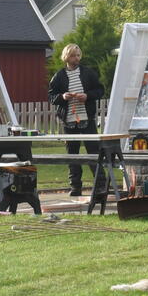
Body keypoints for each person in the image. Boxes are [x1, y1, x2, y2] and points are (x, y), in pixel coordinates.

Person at [48, 44, 105, 196]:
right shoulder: (59, 76)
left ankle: (101, 186)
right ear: (67, 57)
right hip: (69, 121)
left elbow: (100, 90)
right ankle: (75, 187)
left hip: (87, 119)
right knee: (72, 154)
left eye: (78, 55)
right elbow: (51, 96)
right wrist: (62, 97)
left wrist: (87, 96)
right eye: (74, 56)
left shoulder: (88, 73)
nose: (77, 58)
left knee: (93, 152)